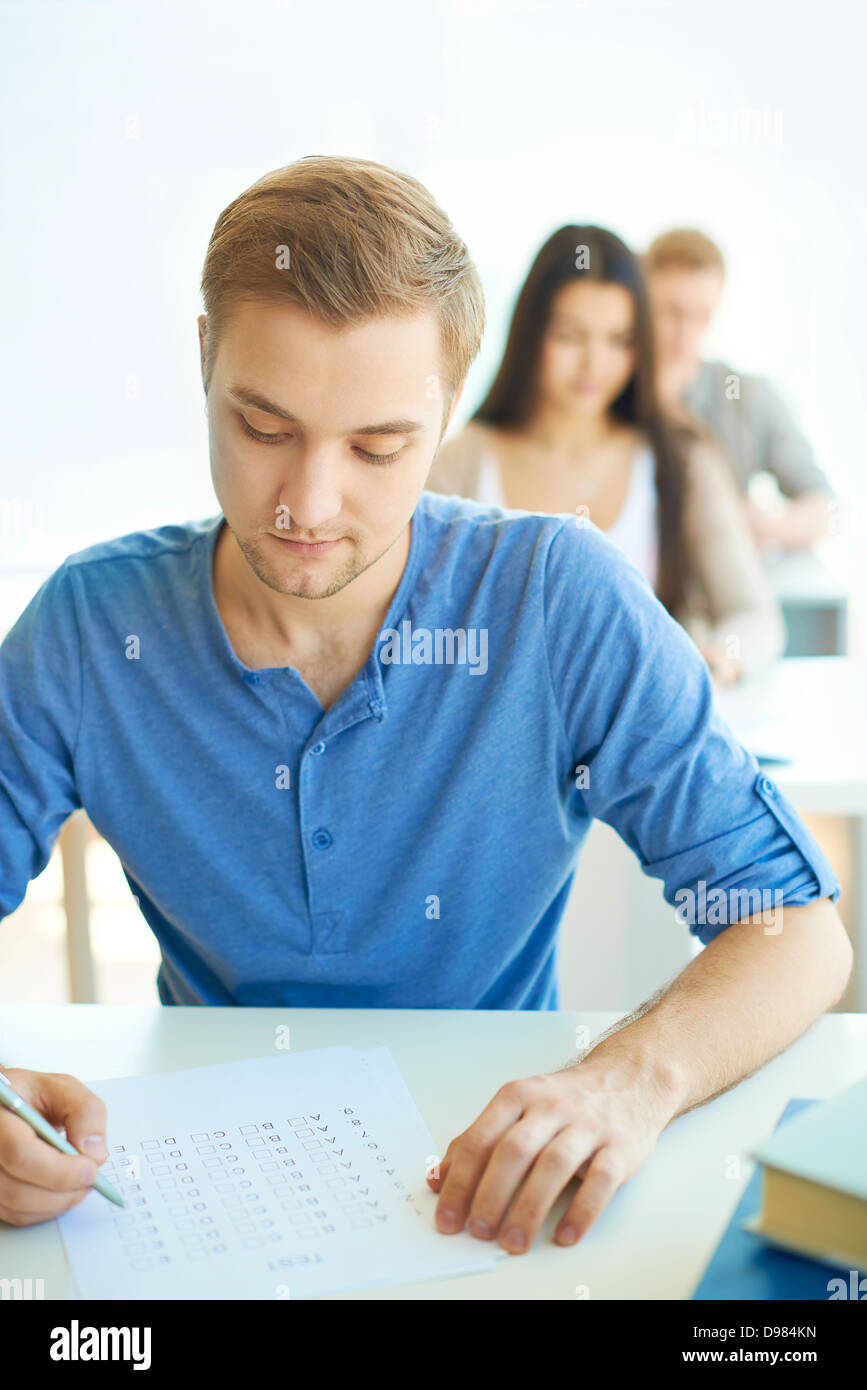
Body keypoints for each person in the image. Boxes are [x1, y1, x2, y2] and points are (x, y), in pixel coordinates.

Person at [0, 158, 850, 1257]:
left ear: (449, 410)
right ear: (203, 357)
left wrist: (623, 1084)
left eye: (377, 447)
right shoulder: (89, 624)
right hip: (184, 1206)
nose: (308, 502)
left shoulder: (557, 597)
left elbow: (795, 930)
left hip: (495, 1204)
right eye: (263, 428)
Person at [427, 225, 785, 685]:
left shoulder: (682, 461)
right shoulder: (461, 461)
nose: (595, 364)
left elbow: (753, 616)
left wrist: (716, 663)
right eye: (570, 336)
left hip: (639, 736)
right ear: (530, 333)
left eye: (619, 340)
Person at [645, 228, 838, 550]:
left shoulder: (746, 397)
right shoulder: (609, 392)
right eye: (672, 313)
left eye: (701, 316)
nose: (686, 332)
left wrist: (770, 527)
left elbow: (829, 510)